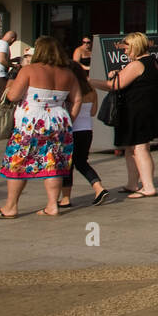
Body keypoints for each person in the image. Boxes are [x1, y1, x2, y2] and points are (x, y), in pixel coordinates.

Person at [0, 36, 79, 219]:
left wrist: (12, 85)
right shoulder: (68, 74)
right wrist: (69, 120)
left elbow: (13, 96)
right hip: (59, 122)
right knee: (53, 162)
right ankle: (52, 205)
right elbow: (77, 99)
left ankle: (10, 207)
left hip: (31, 123)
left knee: (18, 162)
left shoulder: (29, 70)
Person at [92, 32, 158, 199]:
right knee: (131, 148)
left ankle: (148, 186)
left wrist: (90, 82)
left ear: (136, 46)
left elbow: (114, 86)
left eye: (127, 48)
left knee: (140, 148)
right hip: (147, 109)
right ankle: (132, 183)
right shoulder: (154, 62)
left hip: (137, 111)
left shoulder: (137, 64)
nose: (125, 52)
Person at [60, 61, 108, 208]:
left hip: (72, 130)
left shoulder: (69, 90)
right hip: (87, 130)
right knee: (81, 162)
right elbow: (93, 112)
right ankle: (98, 187)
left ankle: (66, 198)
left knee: (67, 165)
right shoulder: (91, 90)